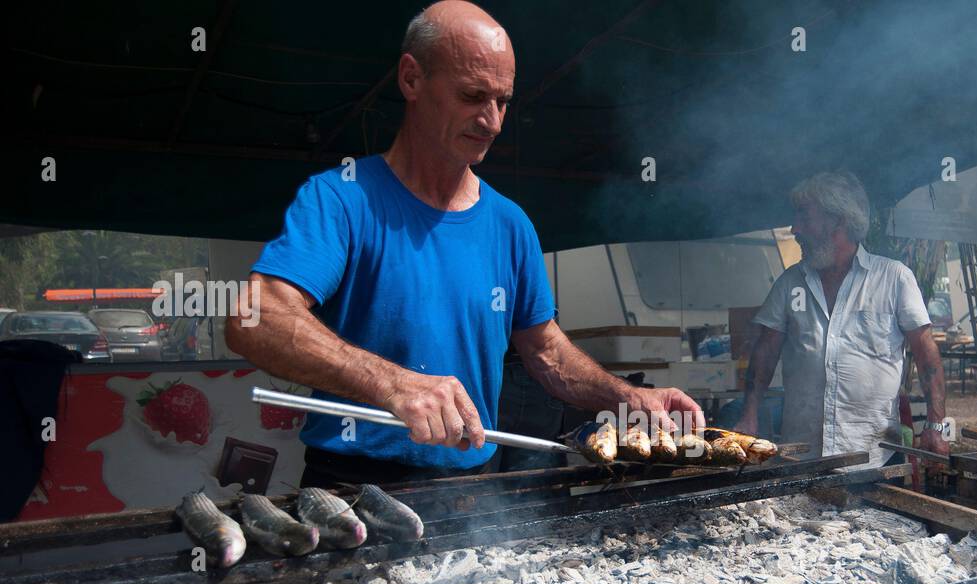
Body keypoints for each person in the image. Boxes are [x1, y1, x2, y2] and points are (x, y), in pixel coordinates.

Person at [227, 1, 702, 488]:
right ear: (411, 79)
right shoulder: (341, 198)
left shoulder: (509, 223)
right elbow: (255, 315)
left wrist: (626, 397)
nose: (493, 121)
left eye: (503, 101)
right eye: (474, 96)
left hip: (474, 486)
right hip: (354, 484)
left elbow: (545, 351)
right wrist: (392, 384)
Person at [736, 171, 949, 468]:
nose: (794, 228)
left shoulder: (894, 278)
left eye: (805, 217)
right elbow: (765, 351)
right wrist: (749, 413)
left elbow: (927, 356)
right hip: (802, 456)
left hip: (874, 457)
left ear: (838, 220)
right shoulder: (790, 283)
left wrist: (936, 425)